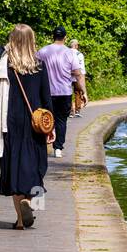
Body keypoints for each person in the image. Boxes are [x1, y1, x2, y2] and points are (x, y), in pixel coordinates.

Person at [0, 24, 55, 230]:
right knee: (35, 166)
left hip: (10, 122)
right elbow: (46, 97)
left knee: (14, 166)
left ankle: (21, 220)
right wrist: (51, 127)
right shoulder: (39, 65)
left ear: (12, 40)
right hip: (36, 123)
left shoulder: (4, 64)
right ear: (32, 40)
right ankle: (31, 202)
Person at [36, 25, 86, 157]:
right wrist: (83, 92)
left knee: (46, 118)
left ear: (53, 36)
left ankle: (43, 144)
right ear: (65, 37)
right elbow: (78, 74)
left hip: (47, 92)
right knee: (61, 120)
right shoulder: (70, 53)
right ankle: (58, 148)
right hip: (64, 92)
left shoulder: (43, 51)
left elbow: (34, 69)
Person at [69, 39, 88, 117]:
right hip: (77, 77)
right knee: (78, 92)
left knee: (68, 94)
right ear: (76, 45)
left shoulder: (66, 53)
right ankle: (77, 110)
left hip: (68, 76)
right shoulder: (79, 54)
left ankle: (70, 111)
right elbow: (82, 69)